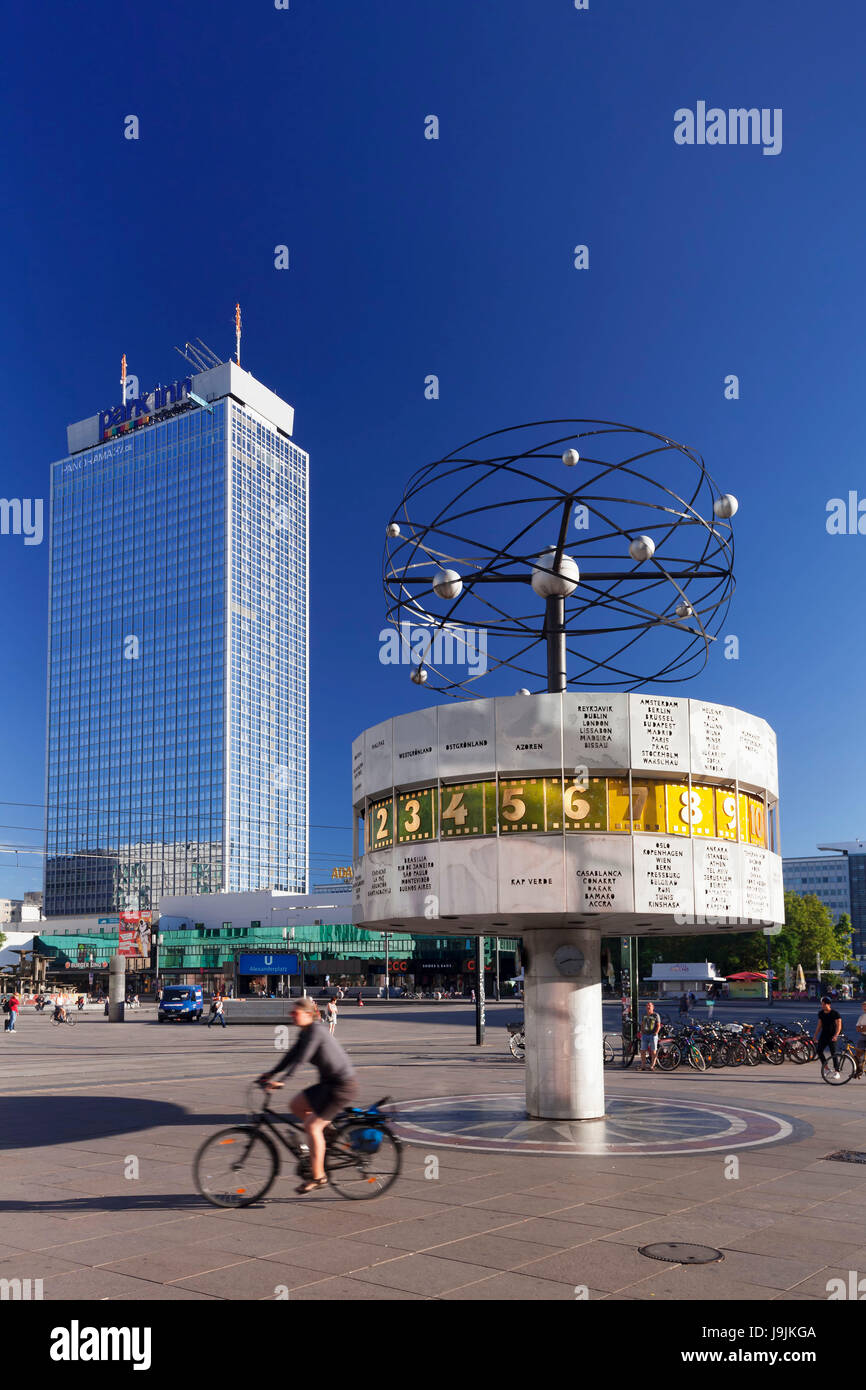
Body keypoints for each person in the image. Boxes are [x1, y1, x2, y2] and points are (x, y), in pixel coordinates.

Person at [257, 995, 359, 1194]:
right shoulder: (305, 1032)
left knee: (312, 1126)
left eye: (295, 1013)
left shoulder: (316, 1031)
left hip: (342, 1086)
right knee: (296, 1105)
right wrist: (271, 1073)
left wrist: (283, 1081)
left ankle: (318, 1176)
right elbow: (291, 1055)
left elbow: (301, 1060)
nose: (291, 1016)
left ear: (307, 1014)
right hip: (328, 1084)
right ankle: (325, 1131)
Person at [813, 996, 843, 1075]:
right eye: (822, 1004)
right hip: (824, 1035)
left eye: (824, 1004)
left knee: (833, 1053)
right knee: (819, 1051)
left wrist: (836, 1035)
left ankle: (837, 1072)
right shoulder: (821, 1013)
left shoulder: (835, 1013)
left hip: (833, 1035)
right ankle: (826, 1068)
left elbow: (839, 1026)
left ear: (829, 1004)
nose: (822, 1006)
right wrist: (815, 1036)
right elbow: (819, 1025)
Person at [639, 1001, 661, 1072]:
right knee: (643, 1050)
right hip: (645, 1034)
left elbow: (658, 1025)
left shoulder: (655, 1015)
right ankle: (643, 1065)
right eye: (647, 1006)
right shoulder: (644, 1015)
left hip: (652, 1035)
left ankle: (652, 1065)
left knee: (653, 1051)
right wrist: (642, 1031)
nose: (648, 1007)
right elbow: (642, 1024)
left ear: (653, 1007)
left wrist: (656, 1033)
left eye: (650, 1006)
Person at [854, 999, 866, 1079]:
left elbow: (860, 1027)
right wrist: (864, 1028)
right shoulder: (862, 1017)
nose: (864, 1008)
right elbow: (857, 1029)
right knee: (857, 1054)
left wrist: (863, 1027)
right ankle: (859, 1070)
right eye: (863, 1007)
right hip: (863, 1036)